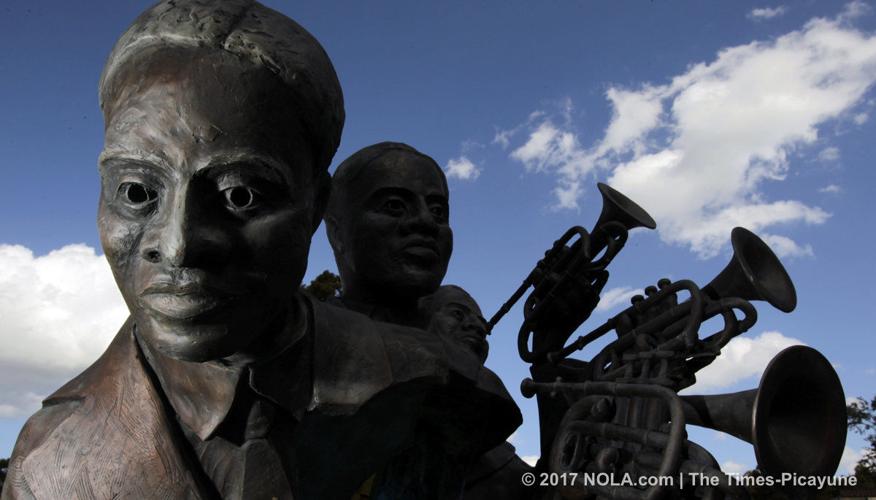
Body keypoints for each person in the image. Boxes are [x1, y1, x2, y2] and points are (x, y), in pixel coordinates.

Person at [2, 2, 516, 499]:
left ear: (316, 206)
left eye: (240, 195)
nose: (178, 246)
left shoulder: (436, 383)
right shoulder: (47, 460)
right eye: (137, 191)